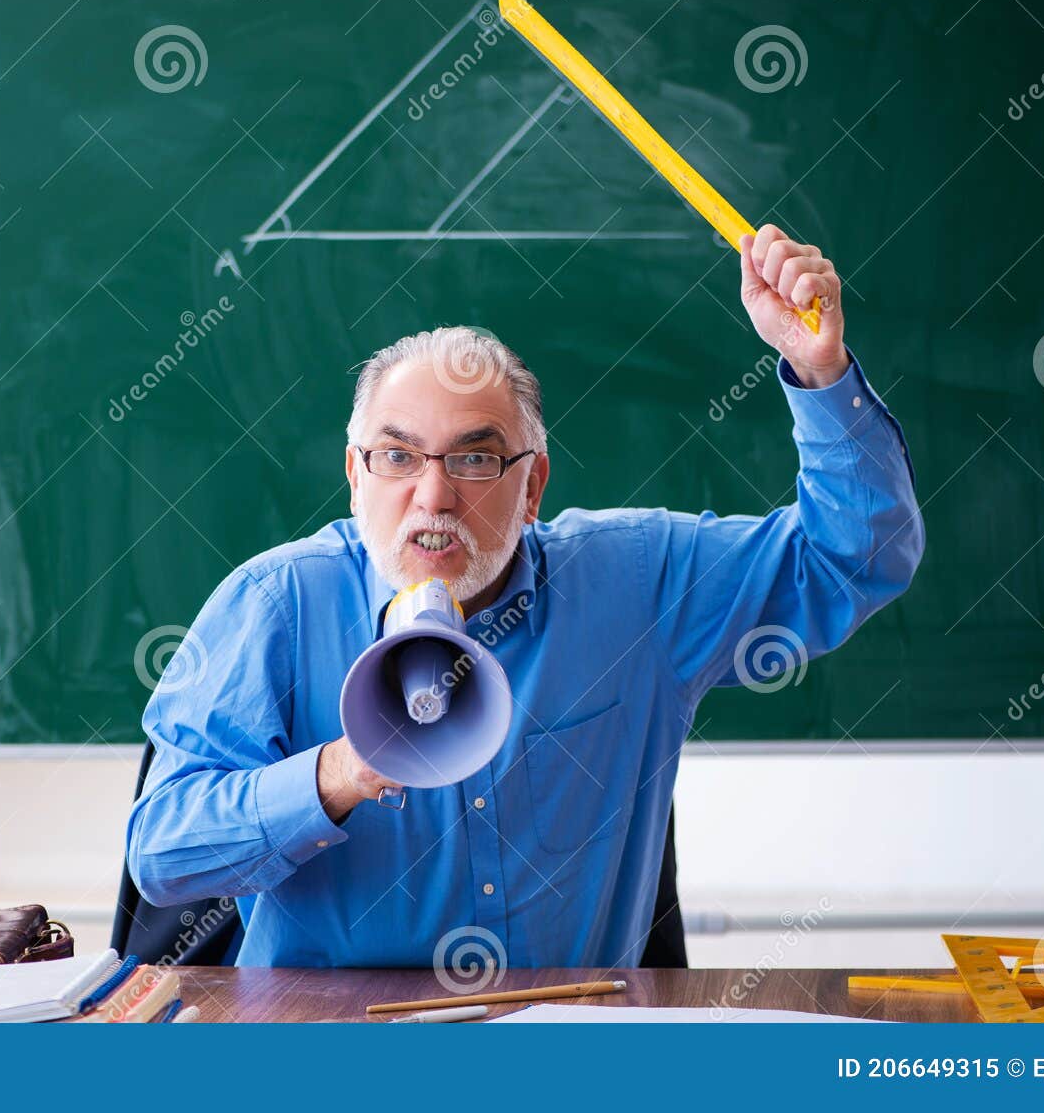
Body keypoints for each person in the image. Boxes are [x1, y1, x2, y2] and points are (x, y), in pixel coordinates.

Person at [126, 226, 924, 967]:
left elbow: (857, 556)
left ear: (533, 484)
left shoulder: (636, 582)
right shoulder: (275, 605)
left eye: (474, 462)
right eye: (398, 459)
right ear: (354, 475)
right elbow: (162, 858)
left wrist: (820, 372)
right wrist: (336, 773)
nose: (433, 498)